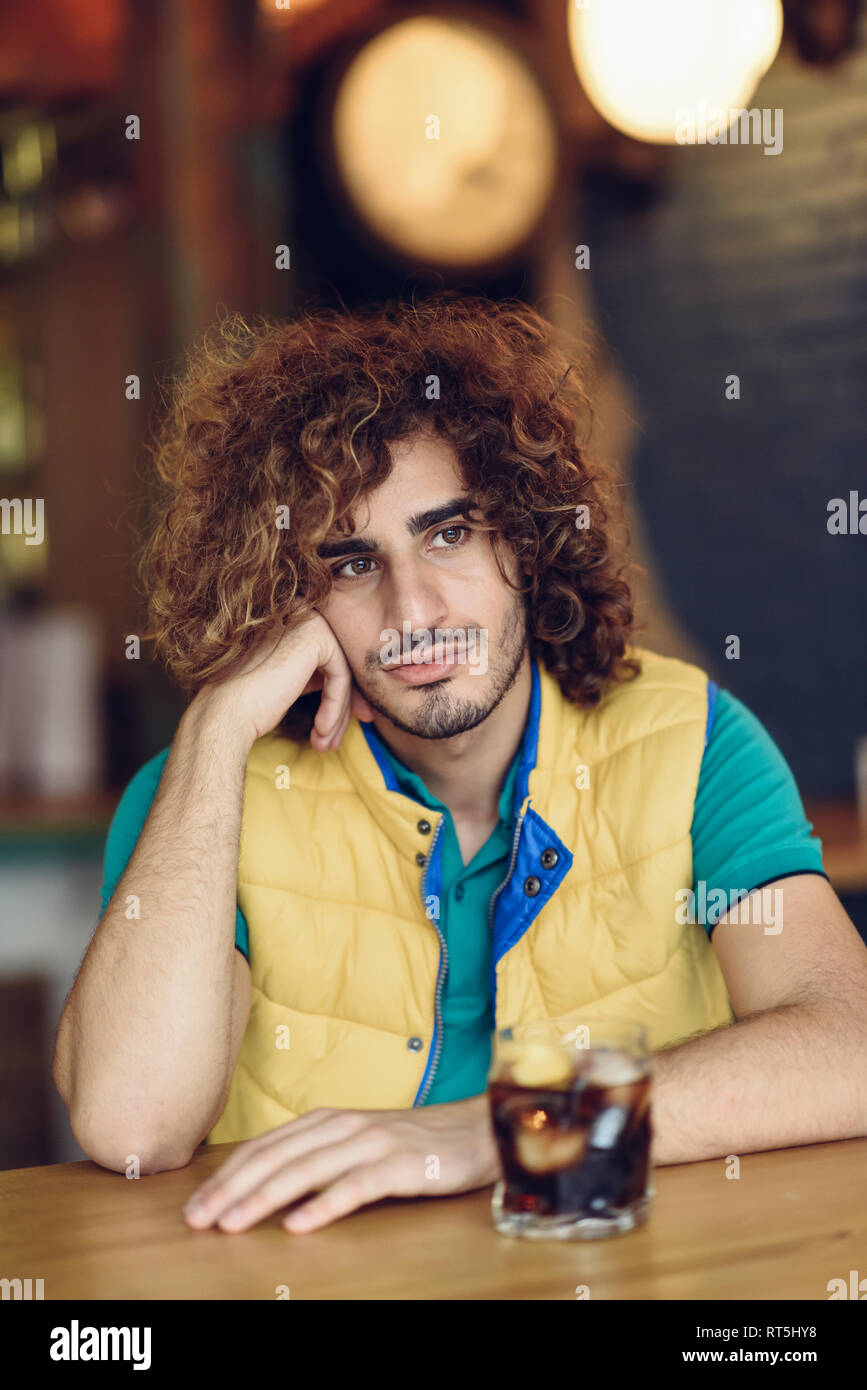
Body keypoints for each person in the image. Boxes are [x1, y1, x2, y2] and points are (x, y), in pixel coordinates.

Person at [52, 292, 867, 1236]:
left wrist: (500, 1133)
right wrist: (218, 725)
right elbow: (132, 1127)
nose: (414, 611)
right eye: (351, 563)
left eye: (448, 534)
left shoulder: (691, 742)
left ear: (523, 539)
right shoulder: (201, 799)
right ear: (285, 595)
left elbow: (849, 1047)